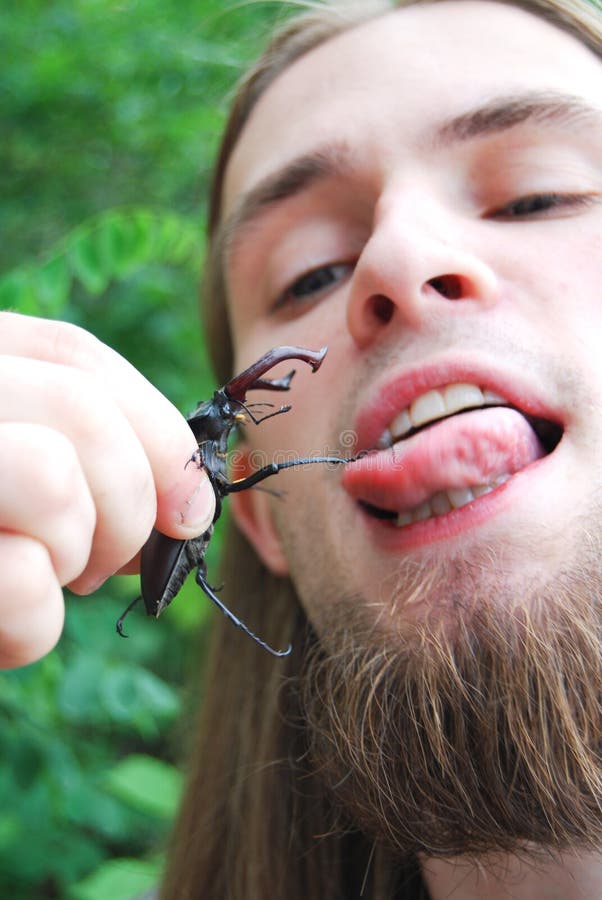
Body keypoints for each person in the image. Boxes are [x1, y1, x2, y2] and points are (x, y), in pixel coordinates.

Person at [1, 0, 600, 897]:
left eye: (534, 197)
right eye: (310, 273)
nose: (395, 257)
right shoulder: (201, 482)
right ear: (259, 516)